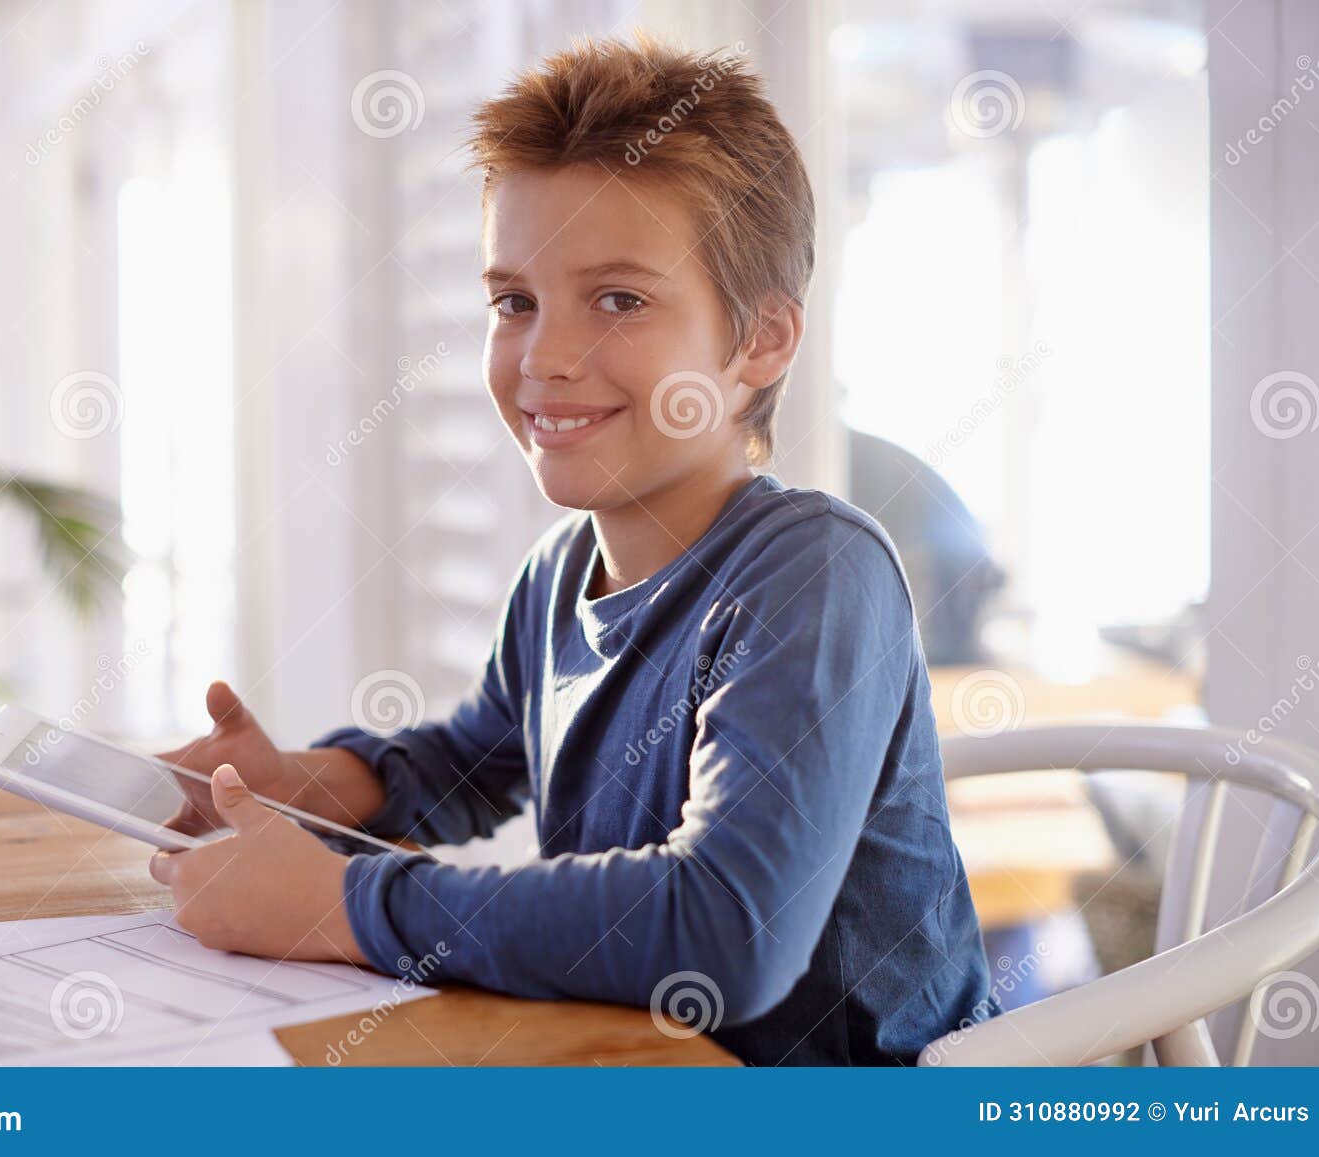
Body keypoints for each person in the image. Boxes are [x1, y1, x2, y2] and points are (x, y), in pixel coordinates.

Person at [148, 32, 995, 1065]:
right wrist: (294, 782)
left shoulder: (816, 574)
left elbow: (725, 931)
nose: (545, 355)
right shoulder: (558, 575)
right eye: (515, 301)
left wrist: (342, 903)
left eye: (620, 300)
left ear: (762, 340)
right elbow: (471, 764)